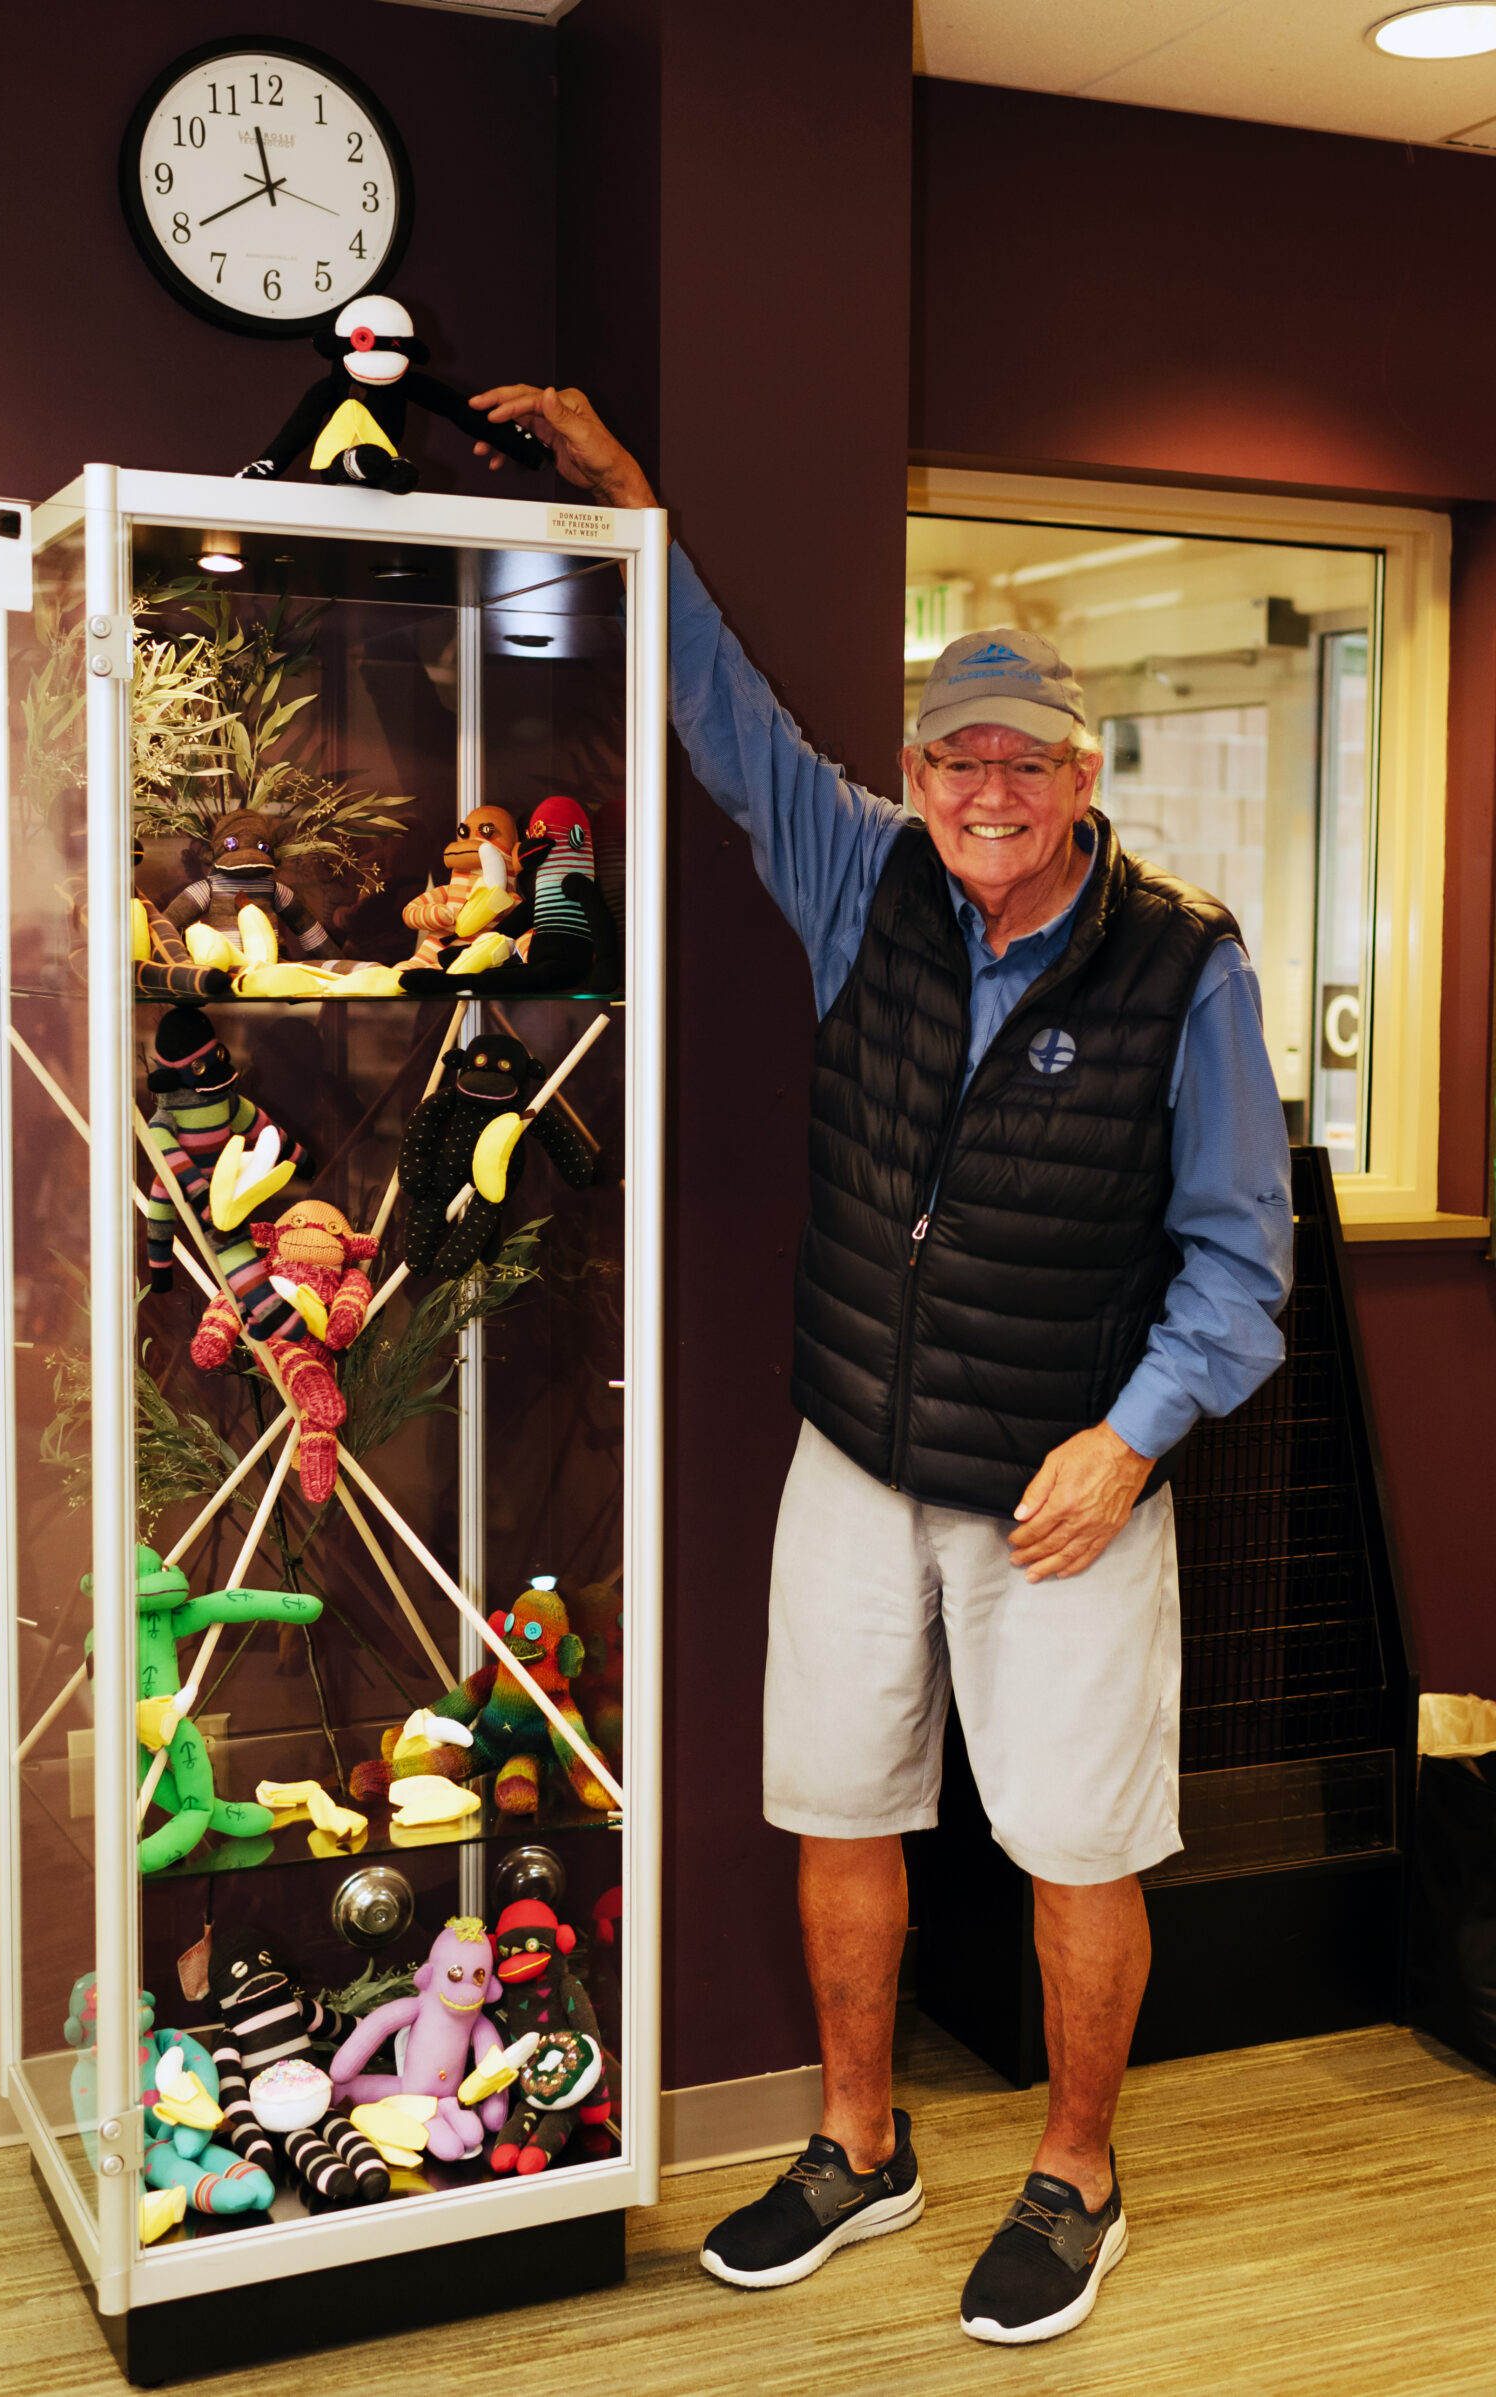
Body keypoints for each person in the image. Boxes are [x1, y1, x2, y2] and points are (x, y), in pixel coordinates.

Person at [468, 384, 1295, 2346]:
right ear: (916, 774)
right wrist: (633, 506)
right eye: (951, 754)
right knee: (838, 1798)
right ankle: (858, 2139)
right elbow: (725, 719)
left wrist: (1126, 1439)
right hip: (852, 1452)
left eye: (1021, 756)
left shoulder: (1183, 965)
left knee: (1076, 1844)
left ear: (1081, 774)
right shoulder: (864, 878)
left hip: (1058, 1484)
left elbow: (1240, 1267)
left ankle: (1073, 2171)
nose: (982, 786)